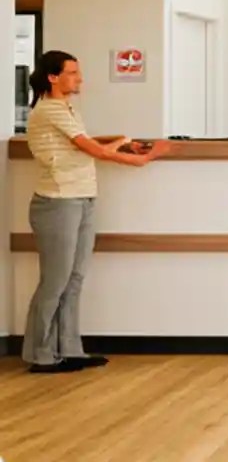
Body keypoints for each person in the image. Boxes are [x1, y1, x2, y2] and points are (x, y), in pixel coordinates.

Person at [22, 50, 173, 374]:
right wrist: (146, 157)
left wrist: (123, 141)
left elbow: (84, 143)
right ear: (53, 77)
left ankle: (70, 349)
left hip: (83, 199)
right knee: (55, 281)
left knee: (74, 279)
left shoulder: (67, 108)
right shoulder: (50, 110)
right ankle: (41, 354)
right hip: (57, 202)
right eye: (73, 73)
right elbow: (93, 151)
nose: (80, 79)